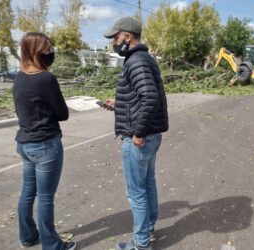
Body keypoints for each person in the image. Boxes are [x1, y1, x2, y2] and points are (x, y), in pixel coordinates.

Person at [103, 16, 169, 250]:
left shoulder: (136, 61)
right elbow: (142, 96)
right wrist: (119, 102)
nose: (113, 42)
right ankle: (148, 231)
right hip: (151, 136)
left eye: (115, 37)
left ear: (127, 36)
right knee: (147, 184)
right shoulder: (143, 58)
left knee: (136, 191)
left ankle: (141, 243)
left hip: (140, 138)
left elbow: (149, 98)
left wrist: (138, 133)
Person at [13, 32, 75, 250]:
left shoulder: (18, 76)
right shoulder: (46, 79)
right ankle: (52, 245)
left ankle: (27, 236)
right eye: (47, 48)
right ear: (36, 51)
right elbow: (62, 113)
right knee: (46, 197)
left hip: (24, 143)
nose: (51, 52)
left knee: (27, 192)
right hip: (46, 144)